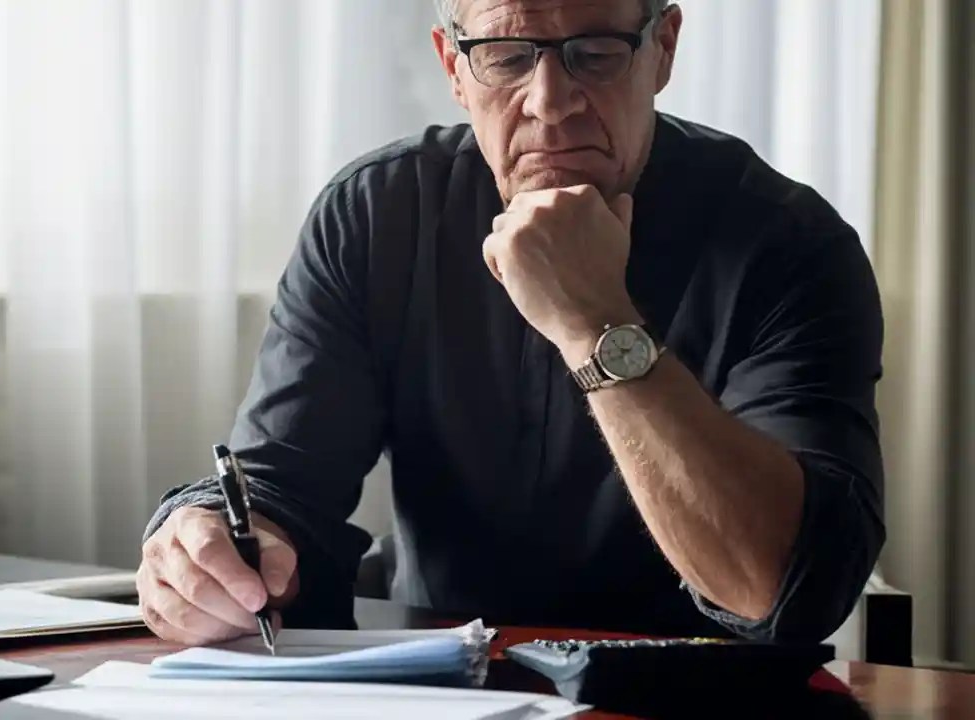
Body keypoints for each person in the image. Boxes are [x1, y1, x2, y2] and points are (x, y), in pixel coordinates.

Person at [136, 0, 884, 646]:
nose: (550, 102)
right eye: (504, 56)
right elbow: (277, 488)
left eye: (596, 54)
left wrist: (593, 322)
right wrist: (209, 547)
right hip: (438, 686)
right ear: (454, 67)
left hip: (697, 698)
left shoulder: (790, 243)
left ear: (663, 49)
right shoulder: (376, 215)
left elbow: (780, 589)